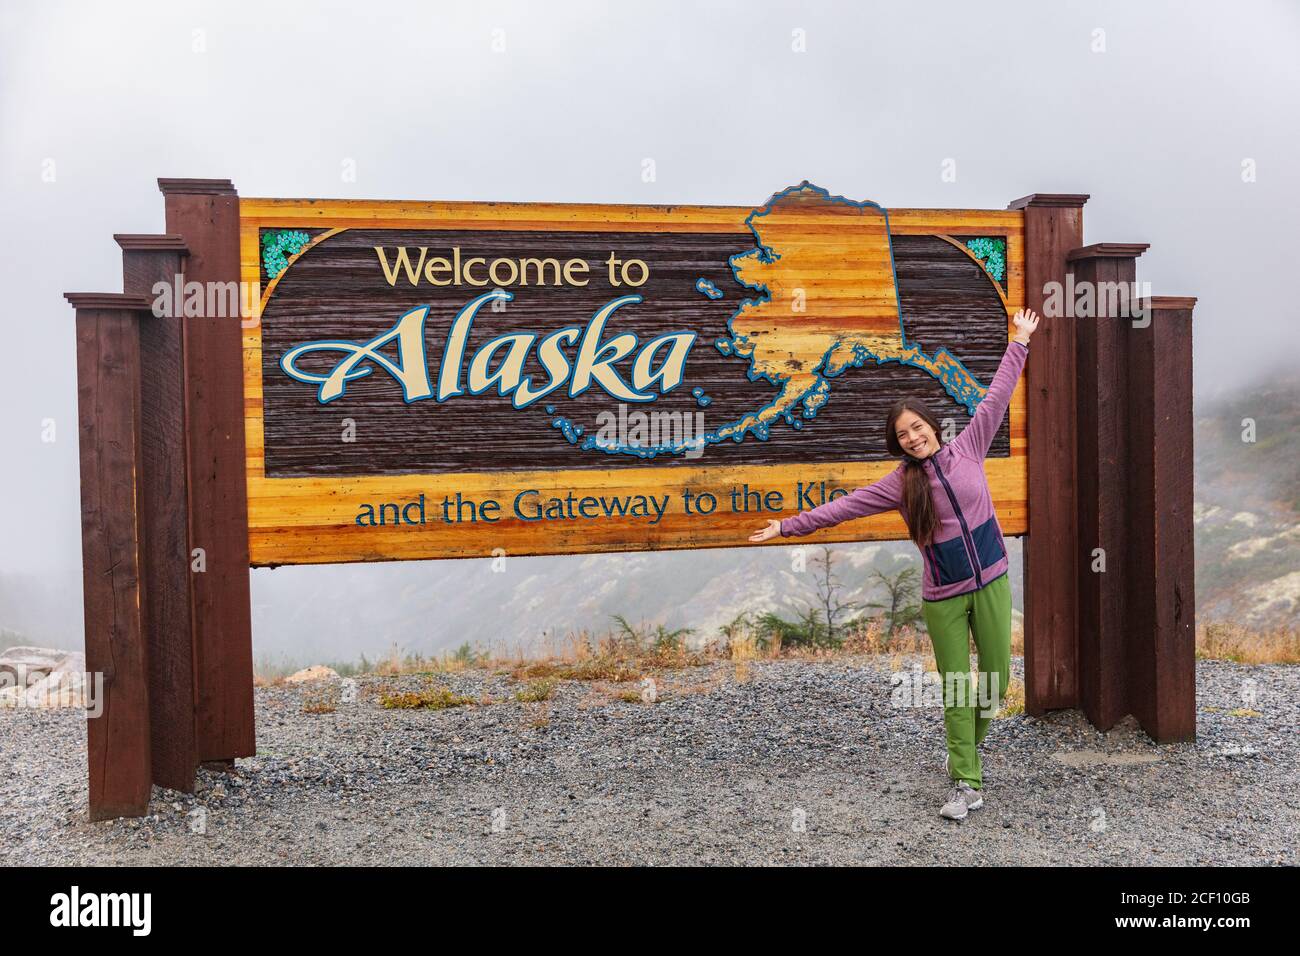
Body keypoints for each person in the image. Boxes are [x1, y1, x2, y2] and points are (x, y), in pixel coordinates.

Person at [748, 308, 1039, 821]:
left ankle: (966, 748)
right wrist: (787, 526)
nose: (913, 437)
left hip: (991, 580)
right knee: (956, 688)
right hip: (943, 598)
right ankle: (965, 780)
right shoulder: (899, 484)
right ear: (897, 441)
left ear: (931, 425)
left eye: (918, 428)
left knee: (995, 682)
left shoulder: (970, 446)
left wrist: (1019, 340)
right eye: (903, 434)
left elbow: (997, 394)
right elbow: (843, 507)